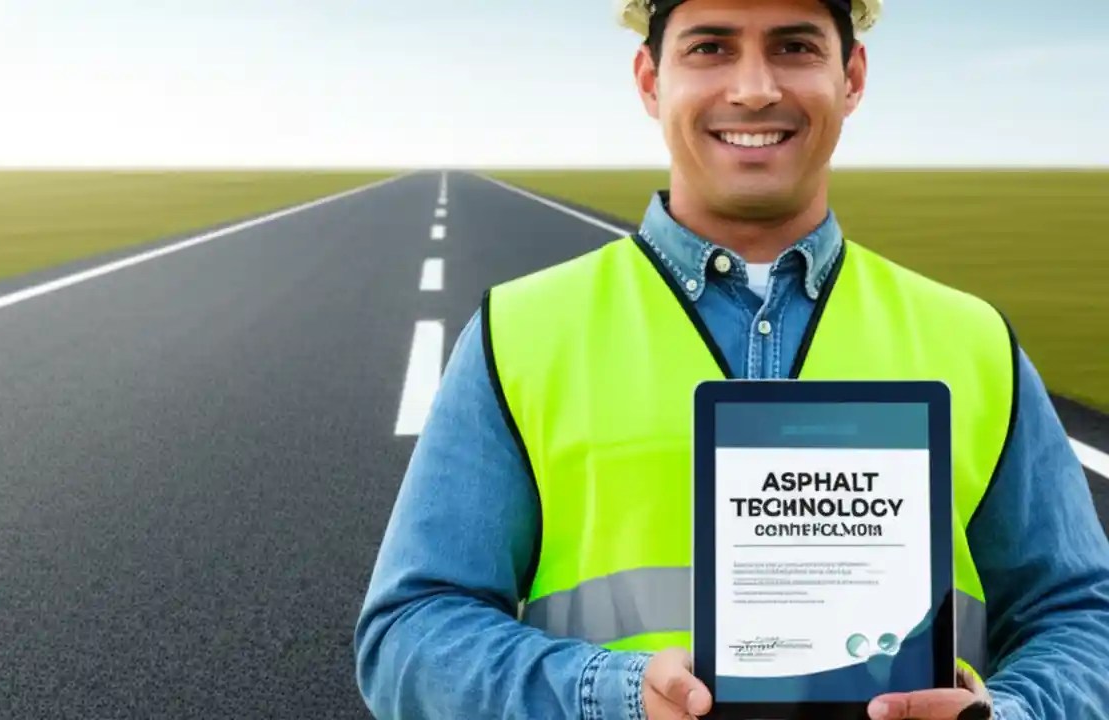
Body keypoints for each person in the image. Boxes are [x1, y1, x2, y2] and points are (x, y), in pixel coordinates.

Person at [353, 0, 1109, 717]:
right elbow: (409, 636)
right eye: (711, 46)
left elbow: (1084, 620)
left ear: (852, 77)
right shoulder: (517, 334)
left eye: (795, 45)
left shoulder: (971, 341)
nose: (754, 89)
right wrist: (611, 697)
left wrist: (1004, 714)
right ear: (652, 80)